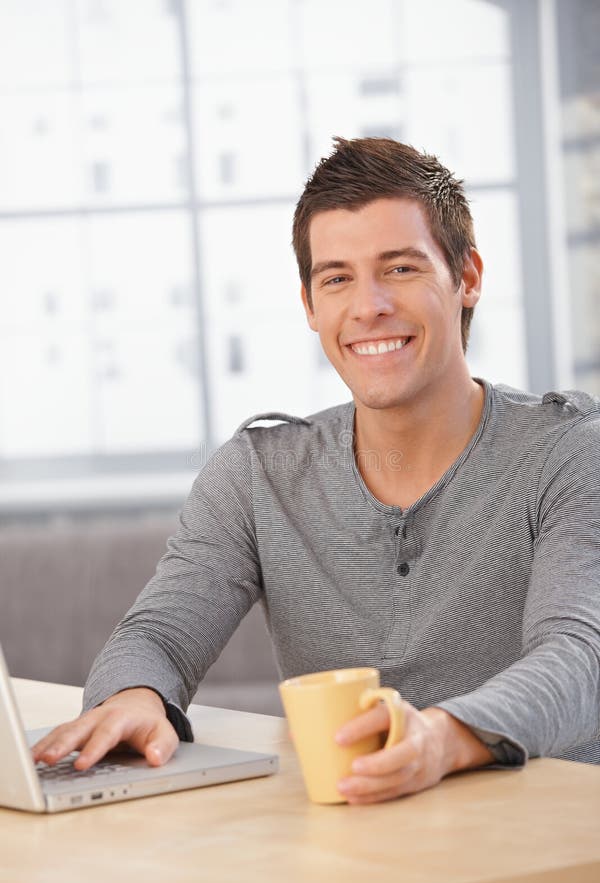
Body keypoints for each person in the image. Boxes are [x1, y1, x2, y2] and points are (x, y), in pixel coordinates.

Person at [33, 137, 600, 805]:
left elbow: (580, 655)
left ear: (467, 276)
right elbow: (158, 636)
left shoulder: (568, 453)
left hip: (547, 835)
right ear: (309, 304)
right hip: (346, 840)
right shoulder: (257, 473)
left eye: (400, 268)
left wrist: (444, 738)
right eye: (337, 279)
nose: (368, 307)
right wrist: (136, 696)